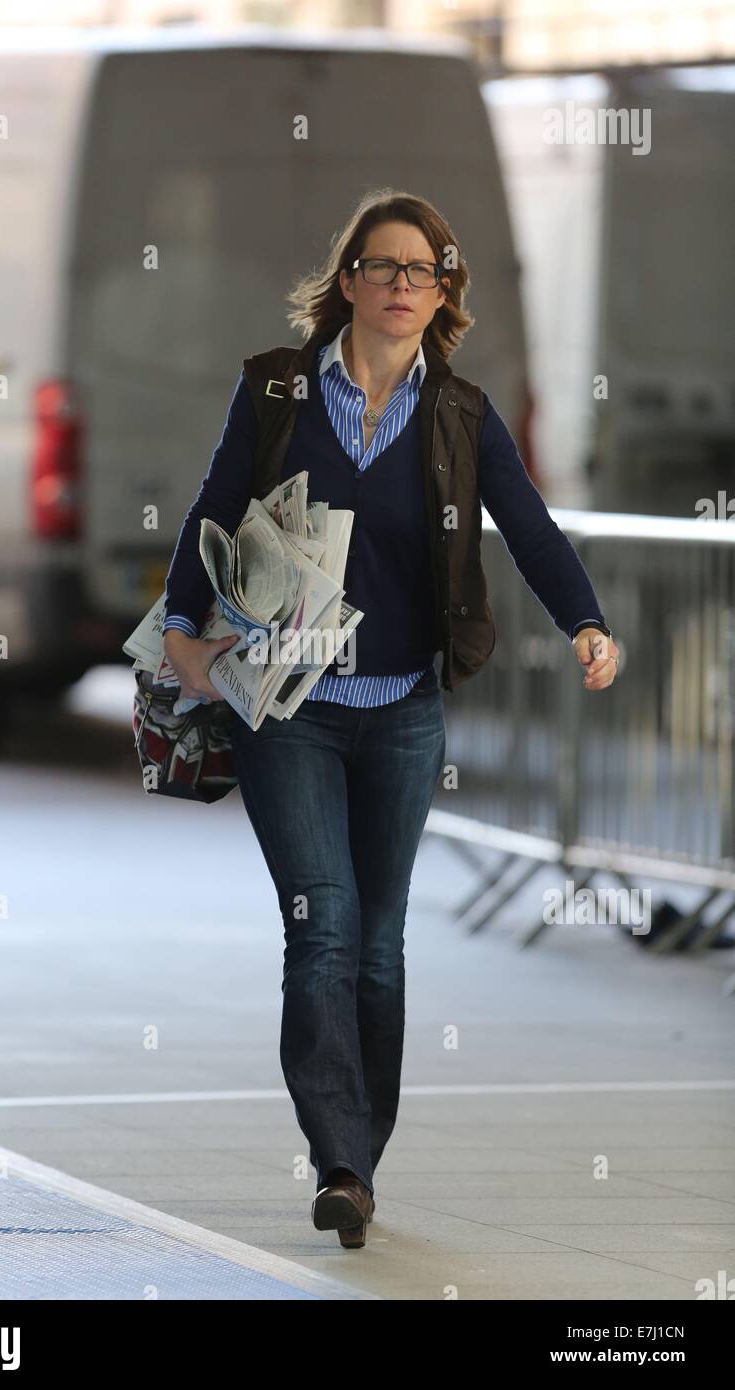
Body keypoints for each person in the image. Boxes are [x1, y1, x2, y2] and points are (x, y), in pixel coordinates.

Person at [162, 190, 619, 1249]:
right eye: (386, 266)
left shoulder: (458, 414)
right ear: (350, 279)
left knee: (378, 945)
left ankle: (361, 1154)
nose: (404, 285)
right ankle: (337, 1160)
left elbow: (530, 526)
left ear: (440, 291)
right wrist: (184, 634)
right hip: (289, 710)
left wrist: (585, 622)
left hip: (404, 711)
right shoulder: (277, 392)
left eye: (425, 270)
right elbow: (212, 507)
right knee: (321, 926)